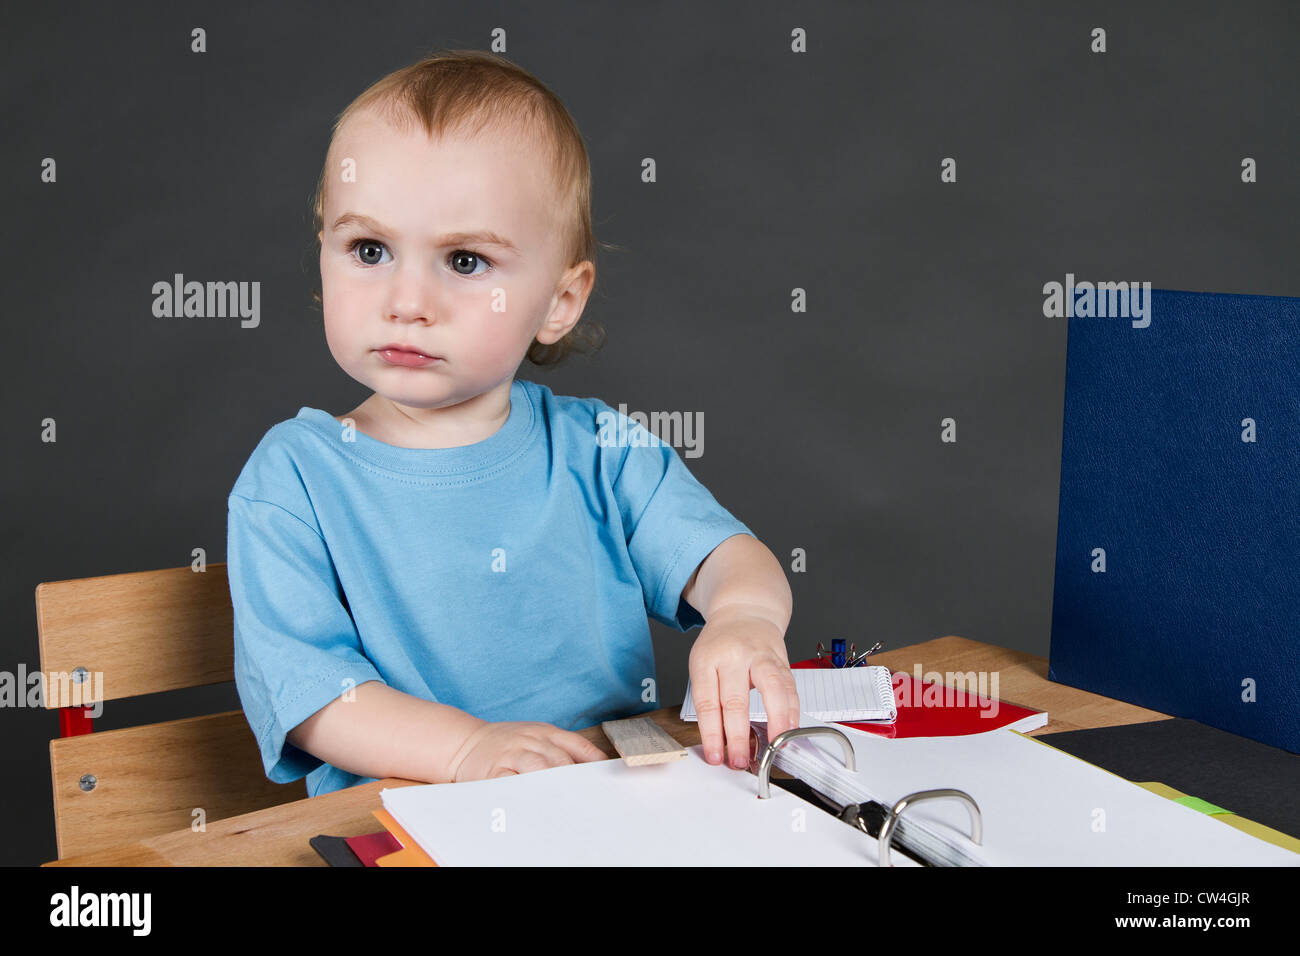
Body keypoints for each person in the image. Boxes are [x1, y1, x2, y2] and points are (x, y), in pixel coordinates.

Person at [227, 49, 798, 797]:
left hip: (607, 811)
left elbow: (728, 556)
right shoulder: (295, 478)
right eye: (370, 249)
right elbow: (309, 698)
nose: (407, 299)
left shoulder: (601, 451)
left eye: (464, 261)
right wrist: (469, 751)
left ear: (561, 302)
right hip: (409, 829)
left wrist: (744, 615)